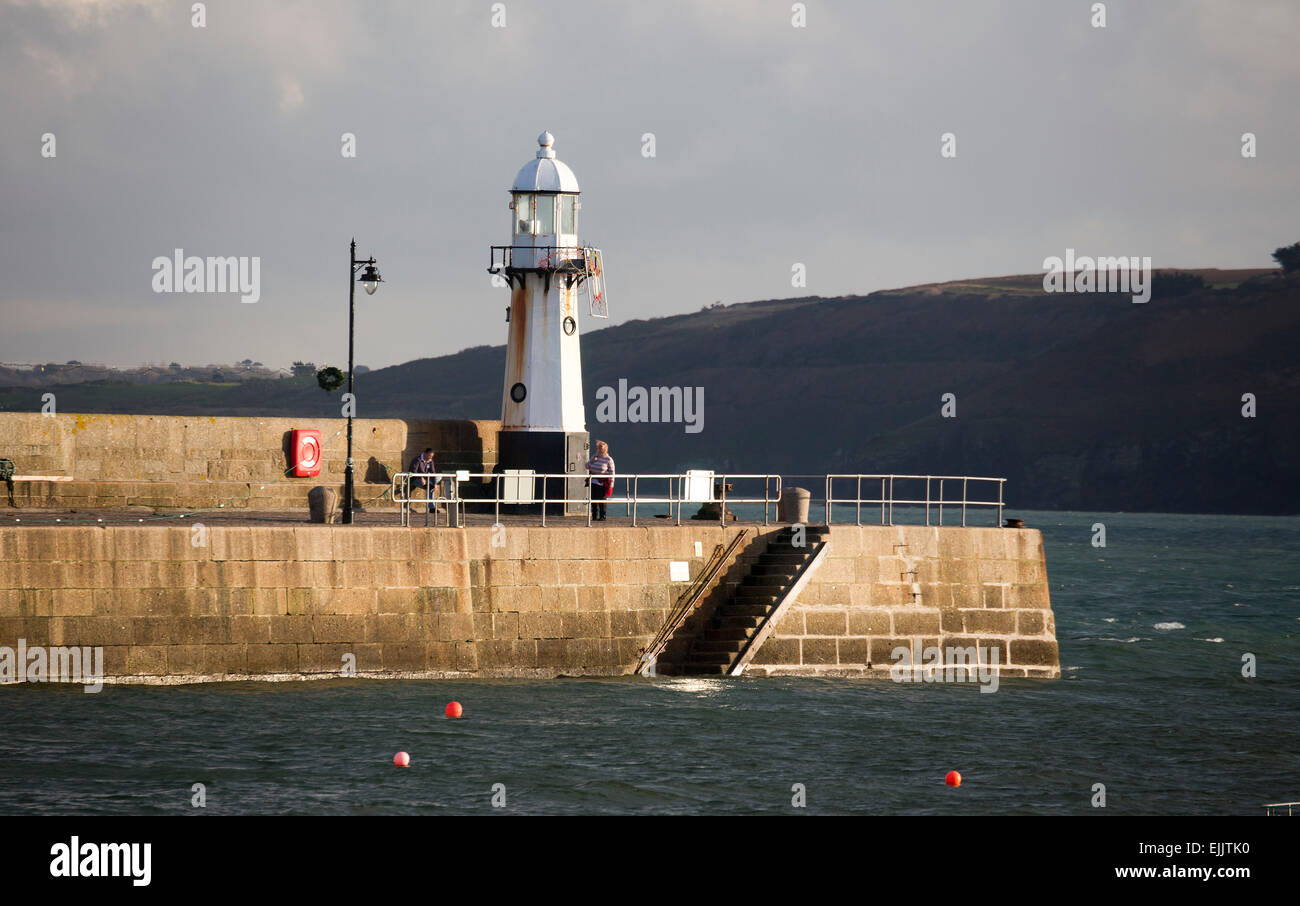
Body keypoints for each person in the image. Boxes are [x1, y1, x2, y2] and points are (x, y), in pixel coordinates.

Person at [587, 441, 615, 521]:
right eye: (599, 448)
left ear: (605, 449)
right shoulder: (595, 457)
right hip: (593, 481)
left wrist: (612, 482)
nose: (600, 450)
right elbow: (587, 466)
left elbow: (612, 472)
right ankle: (594, 516)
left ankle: (603, 516)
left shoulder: (608, 459)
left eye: (601, 448)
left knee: (602, 499)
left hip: (602, 482)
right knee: (593, 499)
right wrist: (593, 461)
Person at [409, 448, 438, 513]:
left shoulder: (430, 461)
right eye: (429, 456)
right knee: (430, 486)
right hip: (415, 479)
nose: (430, 458)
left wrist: (435, 483)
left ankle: (432, 507)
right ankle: (432, 507)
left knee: (436, 480)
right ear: (425, 453)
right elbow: (414, 471)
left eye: (431, 457)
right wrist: (421, 477)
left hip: (426, 479)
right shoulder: (417, 460)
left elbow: (433, 472)